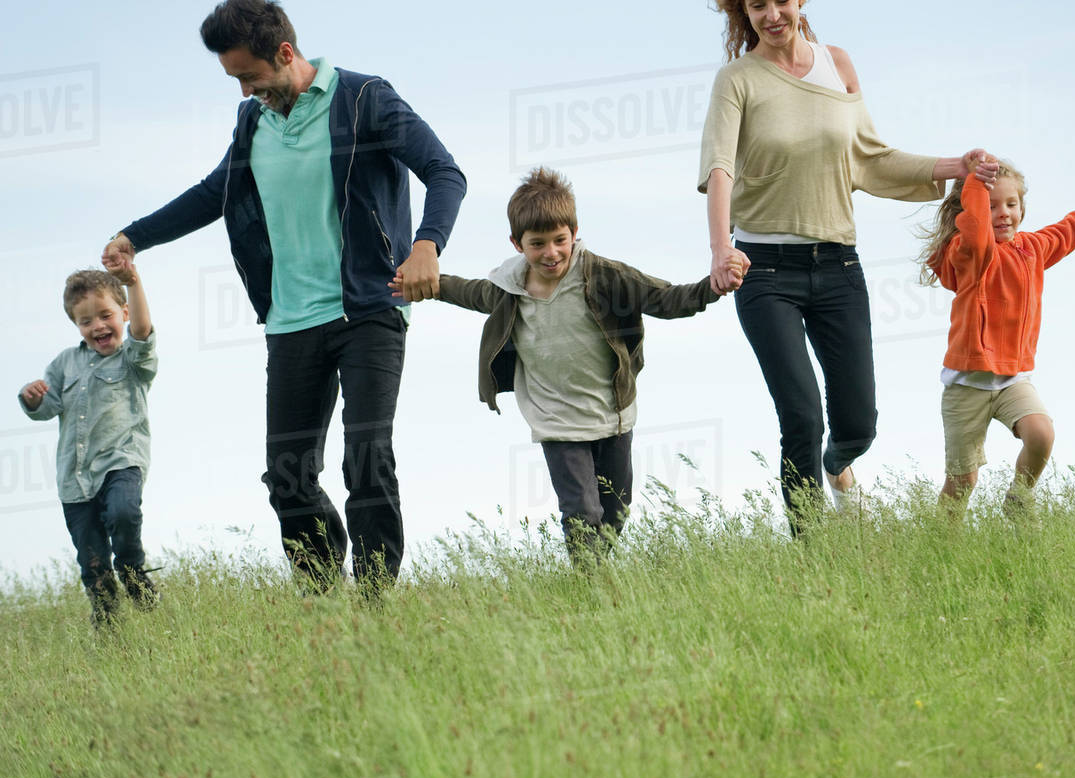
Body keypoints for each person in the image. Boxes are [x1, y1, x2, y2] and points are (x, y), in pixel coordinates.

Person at [100, 0, 467, 590]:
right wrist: (134, 237)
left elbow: (445, 172)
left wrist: (427, 244)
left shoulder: (364, 98)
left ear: (286, 53)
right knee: (287, 477)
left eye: (250, 76)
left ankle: (376, 600)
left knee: (366, 458)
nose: (245, 91)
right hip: (291, 320)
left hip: (368, 308)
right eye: (235, 80)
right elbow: (214, 193)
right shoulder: (254, 123)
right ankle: (321, 593)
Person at [700, 0, 998, 534]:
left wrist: (958, 165)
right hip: (764, 271)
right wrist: (722, 247)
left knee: (859, 425)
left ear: (800, 2)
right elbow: (720, 165)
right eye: (757, 5)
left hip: (838, 264)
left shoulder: (836, 64)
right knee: (801, 415)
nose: (772, 14)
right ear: (744, 10)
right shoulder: (737, 80)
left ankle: (838, 466)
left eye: (780, 1)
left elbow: (871, 157)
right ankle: (812, 549)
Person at [391, 168, 729, 566]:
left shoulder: (605, 277)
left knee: (615, 510)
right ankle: (588, 581)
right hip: (555, 419)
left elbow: (666, 300)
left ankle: (597, 572)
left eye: (559, 240)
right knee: (581, 512)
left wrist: (712, 287)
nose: (550, 253)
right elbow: (468, 291)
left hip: (611, 413)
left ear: (574, 233)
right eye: (537, 244)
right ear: (517, 243)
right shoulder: (509, 288)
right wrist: (426, 284)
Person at [919, 159, 1075, 515]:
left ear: (1022, 207)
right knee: (963, 482)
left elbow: (1070, 229)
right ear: (973, 211)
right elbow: (976, 233)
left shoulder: (1033, 248)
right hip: (966, 386)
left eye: (1011, 204)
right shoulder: (968, 252)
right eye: (991, 206)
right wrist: (975, 182)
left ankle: (1019, 498)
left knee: (1041, 433)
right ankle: (940, 542)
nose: (1003, 213)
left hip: (1011, 381)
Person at [19, 268, 159, 626]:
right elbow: (46, 408)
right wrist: (32, 398)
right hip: (75, 479)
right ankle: (109, 626)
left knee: (124, 513)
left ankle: (133, 572)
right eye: (86, 321)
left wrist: (133, 283)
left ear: (124, 313)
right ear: (76, 325)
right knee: (92, 561)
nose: (97, 326)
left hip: (120, 462)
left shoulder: (132, 359)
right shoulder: (64, 363)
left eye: (105, 315)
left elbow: (143, 332)